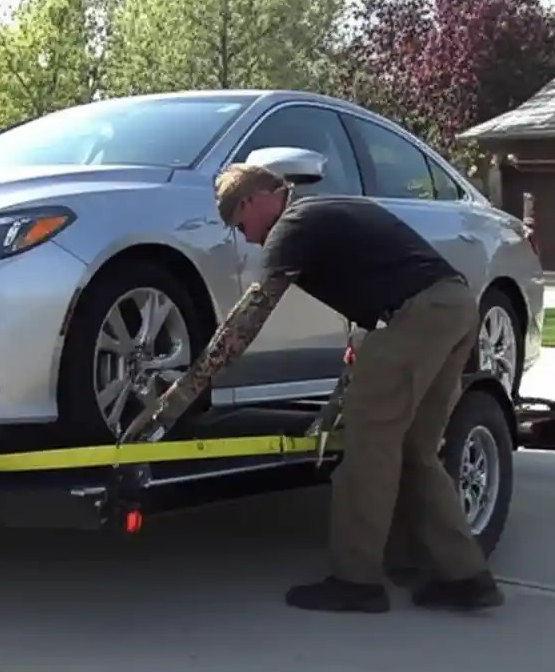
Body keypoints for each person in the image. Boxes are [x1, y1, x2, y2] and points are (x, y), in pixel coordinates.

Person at [119, 163, 505, 614]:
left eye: (240, 224)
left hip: (418, 315)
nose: (246, 237)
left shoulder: (292, 224)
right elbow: (375, 276)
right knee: (416, 449)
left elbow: (246, 322)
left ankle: (356, 580)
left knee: (369, 446)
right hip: (455, 308)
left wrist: (179, 396)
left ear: (252, 200)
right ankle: (465, 577)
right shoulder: (322, 213)